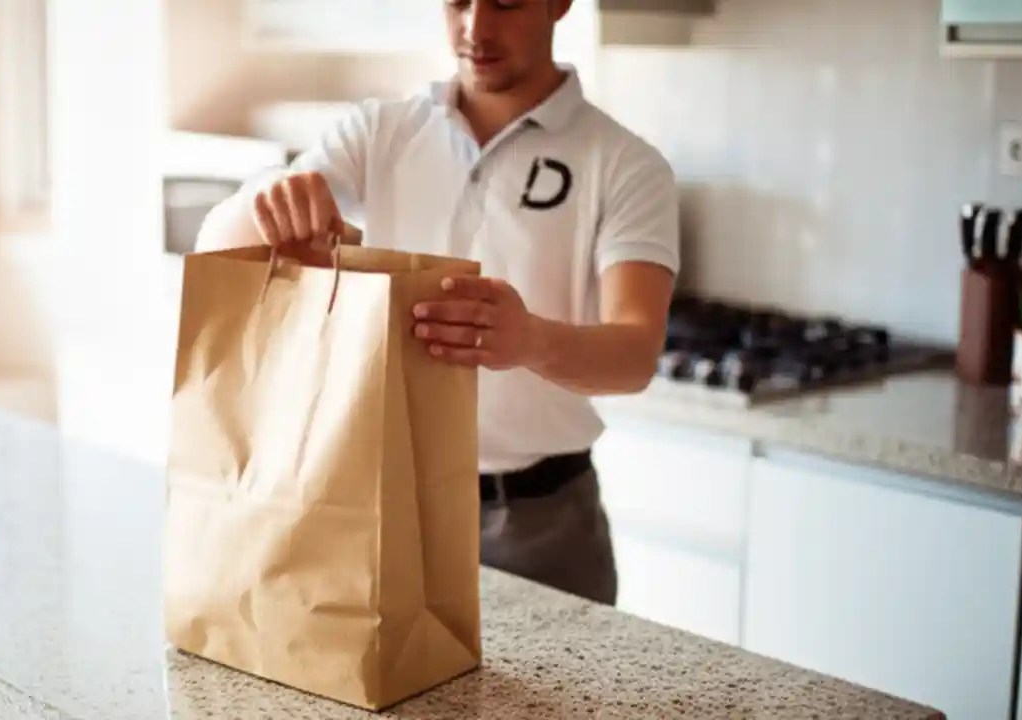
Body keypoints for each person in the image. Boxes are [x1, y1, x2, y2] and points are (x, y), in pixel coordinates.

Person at [196, 0, 678, 605]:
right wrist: (272, 201)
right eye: (457, 2)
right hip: (386, 506)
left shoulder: (628, 166)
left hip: (541, 527)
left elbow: (635, 353)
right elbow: (221, 241)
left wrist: (530, 339)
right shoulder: (382, 131)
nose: (476, 28)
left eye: (504, 2)